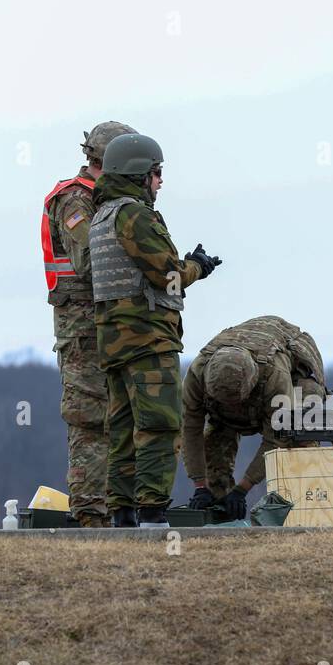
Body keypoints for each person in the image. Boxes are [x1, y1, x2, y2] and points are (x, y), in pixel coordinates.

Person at [88, 132, 222, 527]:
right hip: (147, 339)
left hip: (114, 343)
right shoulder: (134, 215)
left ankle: (124, 514)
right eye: (156, 172)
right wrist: (197, 267)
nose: (160, 181)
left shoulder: (101, 217)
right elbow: (168, 277)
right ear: (139, 174)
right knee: (160, 425)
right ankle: (151, 515)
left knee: (124, 430)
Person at [40, 121, 135, 527]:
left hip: (109, 324)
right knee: (91, 422)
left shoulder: (103, 198)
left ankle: (115, 511)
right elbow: (90, 261)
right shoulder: (76, 201)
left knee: (119, 419)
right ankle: (91, 518)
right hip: (84, 330)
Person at [181, 316, 327, 519]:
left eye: (235, 402)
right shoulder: (197, 375)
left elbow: (276, 438)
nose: (231, 406)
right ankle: (220, 514)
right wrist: (200, 486)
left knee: (300, 432)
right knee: (216, 439)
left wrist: (243, 488)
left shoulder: (275, 379)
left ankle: (309, 510)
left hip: (293, 360)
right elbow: (190, 429)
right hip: (243, 364)